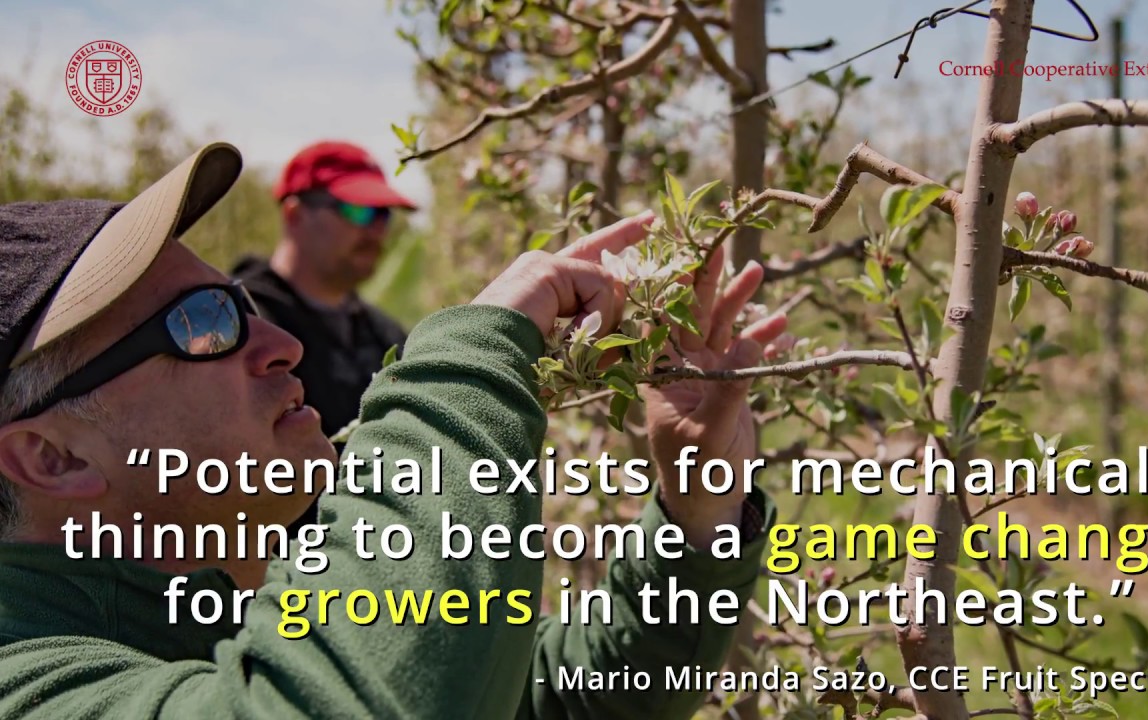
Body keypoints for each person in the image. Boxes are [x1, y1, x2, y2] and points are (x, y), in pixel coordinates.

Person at [0, 142, 787, 719]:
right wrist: (472, 352)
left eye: (242, 305)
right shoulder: (29, 686)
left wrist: (695, 514)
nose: (282, 346)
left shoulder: (224, 602)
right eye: (202, 324)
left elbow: (558, 693)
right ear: (50, 455)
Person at [233, 141, 416, 443]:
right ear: (295, 215)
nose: (376, 230)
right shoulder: (240, 323)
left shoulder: (387, 336)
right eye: (358, 210)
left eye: (383, 214)